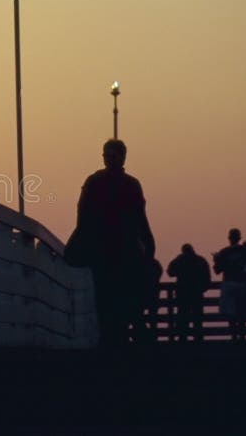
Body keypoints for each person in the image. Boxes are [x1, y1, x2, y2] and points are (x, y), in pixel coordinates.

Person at [66, 139, 156, 346]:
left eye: (112, 155)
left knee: (114, 298)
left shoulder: (118, 183)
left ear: (123, 157)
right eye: (106, 155)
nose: (108, 159)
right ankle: (118, 340)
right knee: (111, 298)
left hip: (119, 251)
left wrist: (148, 243)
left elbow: (140, 217)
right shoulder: (106, 182)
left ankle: (116, 341)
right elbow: (83, 215)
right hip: (108, 251)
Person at [167, 244, 211, 342]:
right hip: (196, 294)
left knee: (182, 318)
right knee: (197, 318)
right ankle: (198, 339)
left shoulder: (180, 260)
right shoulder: (200, 260)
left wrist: (176, 259)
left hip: (183, 294)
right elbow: (207, 278)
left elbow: (170, 272)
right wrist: (202, 289)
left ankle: (183, 339)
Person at [213, 228, 246, 341]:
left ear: (229, 239)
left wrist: (216, 259)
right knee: (242, 311)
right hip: (243, 284)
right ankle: (242, 335)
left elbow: (217, 270)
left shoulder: (224, 252)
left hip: (229, 284)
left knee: (230, 312)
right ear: (239, 238)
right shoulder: (245, 251)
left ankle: (234, 336)